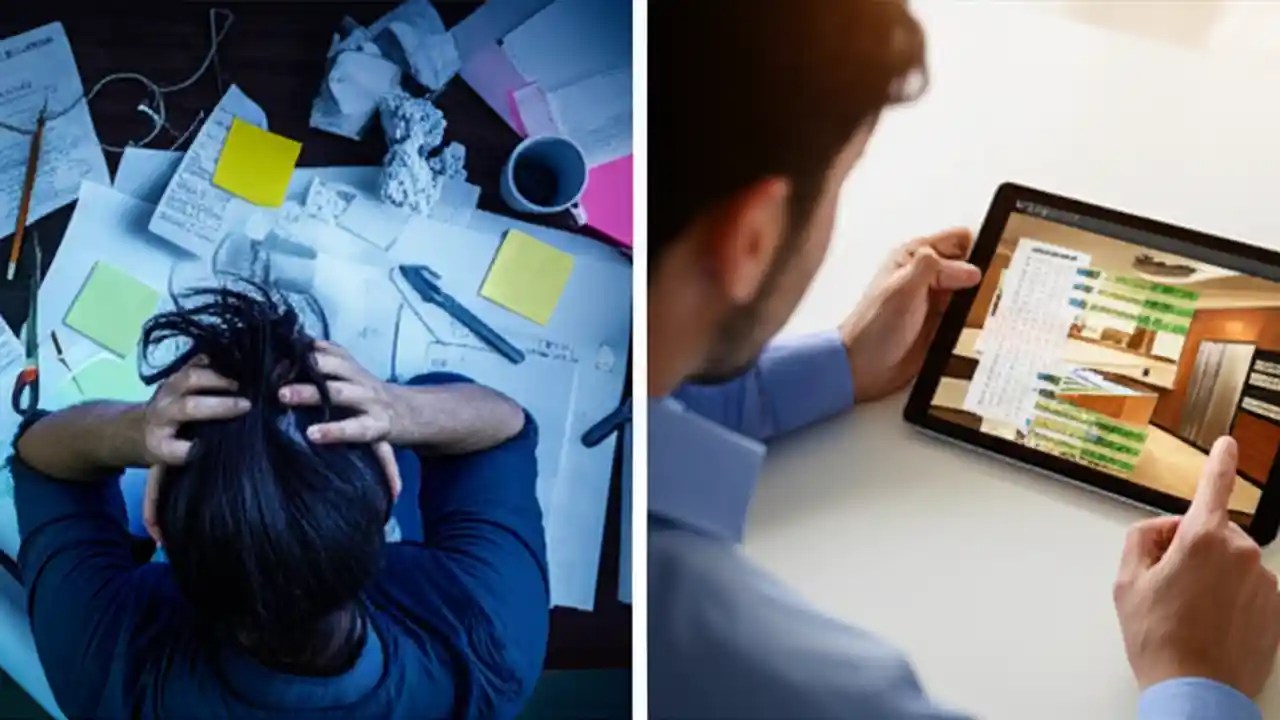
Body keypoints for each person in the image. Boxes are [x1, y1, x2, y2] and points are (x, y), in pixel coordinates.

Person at [648, 2, 1280, 718]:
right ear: (752, 239)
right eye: (841, 182)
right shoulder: (772, 675)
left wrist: (842, 364)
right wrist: (1197, 677)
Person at [14, 286, 548, 719]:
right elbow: (504, 428)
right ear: (387, 499)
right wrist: (400, 408)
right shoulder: (488, 651)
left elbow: (39, 455)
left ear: (156, 528)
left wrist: (137, 430)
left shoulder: (106, 665)